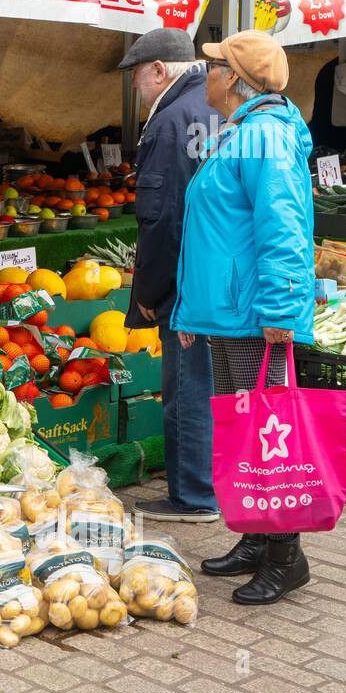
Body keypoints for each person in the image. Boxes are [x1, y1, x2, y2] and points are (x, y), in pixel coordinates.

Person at [170, 30, 315, 606]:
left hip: (256, 315)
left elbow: (283, 227)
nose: (203, 74)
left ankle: (288, 557)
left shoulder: (265, 137)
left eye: (212, 66)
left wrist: (280, 308)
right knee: (246, 428)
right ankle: (258, 537)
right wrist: (191, 309)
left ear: (234, 78)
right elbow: (218, 232)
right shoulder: (244, 132)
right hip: (229, 313)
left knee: (269, 432)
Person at [116, 29, 217, 523]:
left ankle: (194, 496)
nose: (135, 88)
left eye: (136, 76)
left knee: (188, 387)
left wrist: (150, 290)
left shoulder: (169, 121)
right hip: (222, 272)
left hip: (186, 279)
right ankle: (214, 482)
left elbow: (161, 219)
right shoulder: (219, 103)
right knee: (214, 383)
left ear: (159, 71)